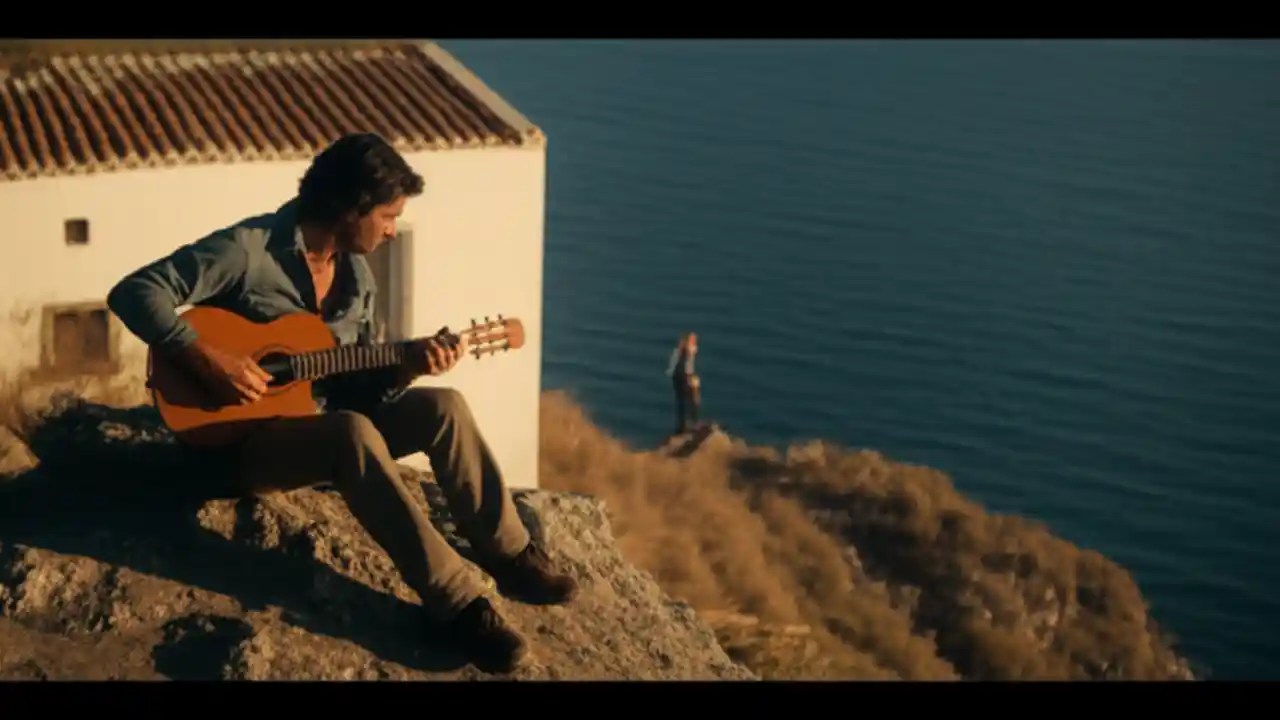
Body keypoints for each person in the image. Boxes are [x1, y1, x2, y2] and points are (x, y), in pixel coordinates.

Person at [105, 132, 576, 674]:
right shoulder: (246, 250)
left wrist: (405, 367)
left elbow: (360, 392)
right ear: (352, 209)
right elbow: (135, 291)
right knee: (349, 433)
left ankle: (511, 555)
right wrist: (210, 359)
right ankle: (459, 604)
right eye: (388, 216)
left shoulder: (356, 279)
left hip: (317, 432)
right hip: (233, 443)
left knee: (442, 404)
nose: (393, 231)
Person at [665, 332, 701, 434]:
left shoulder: (683, 350)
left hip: (685, 376)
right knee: (688, 401)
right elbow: (685, 365)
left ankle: (689, 423)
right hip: (684, 376)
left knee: (688, 401)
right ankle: (688, 424)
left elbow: (675, 366)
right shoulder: (683, 351)